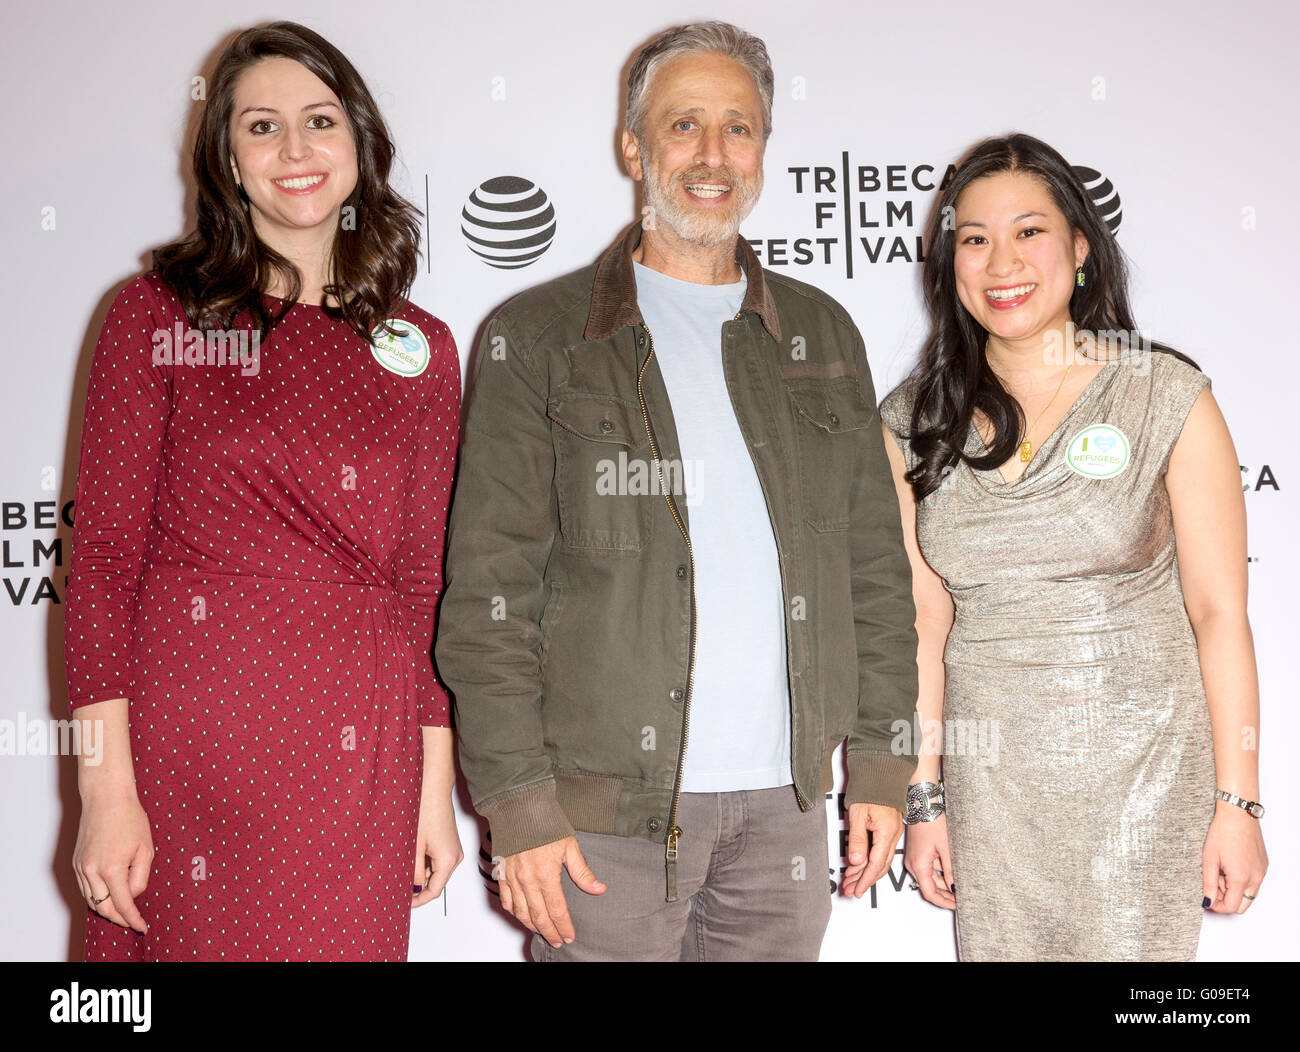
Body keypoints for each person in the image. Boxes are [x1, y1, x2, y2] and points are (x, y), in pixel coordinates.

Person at [435, 21, 918, 962]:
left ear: (765, 151)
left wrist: (884, 764)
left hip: (784, 815)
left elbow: (875, 574)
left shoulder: (823, 336)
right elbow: (490, 595)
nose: (712, 155)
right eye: (683, 124)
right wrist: (519, 804)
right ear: (633, 144)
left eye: (738, 128)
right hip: (603, 819)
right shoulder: (537, 336)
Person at [64, 21, 462, 961]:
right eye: (260, 127)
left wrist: (430, 786)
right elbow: (106, 566)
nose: (295, 150)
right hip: (191, 748)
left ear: (360, 146)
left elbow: (421, 583)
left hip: (362, 756)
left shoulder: (424, 351)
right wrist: (103, 792)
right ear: (225, 160)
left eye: (320, 121)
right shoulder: (156, 315)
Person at [880, 132, 1268, 961]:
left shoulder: (1164, 394)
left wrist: (1239, 803)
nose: (1000, 262)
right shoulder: (912, 421)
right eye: (974, 239)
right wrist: (924, 798)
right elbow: (922, 622)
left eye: (1029, 232)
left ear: (1080, 249)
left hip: (1146, 777)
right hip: (994, 791)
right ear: (951, 264)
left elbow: (1218, 614)